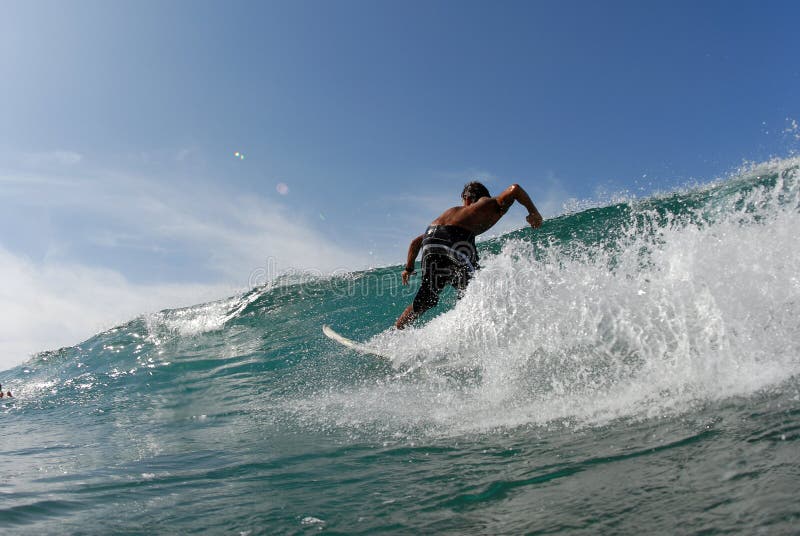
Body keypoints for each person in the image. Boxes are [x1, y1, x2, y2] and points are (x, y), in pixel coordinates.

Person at [395, 181, 543, 329]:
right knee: (477, 291)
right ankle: (474, 333)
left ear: (466, 198)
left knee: (426, 299)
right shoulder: (487, 203)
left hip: (430, 240)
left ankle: (396, 332)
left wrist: (408, 269)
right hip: (454, 238)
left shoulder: (453, 215)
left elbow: (416, 242)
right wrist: (533, 212)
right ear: (469, 198)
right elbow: (515, 189)